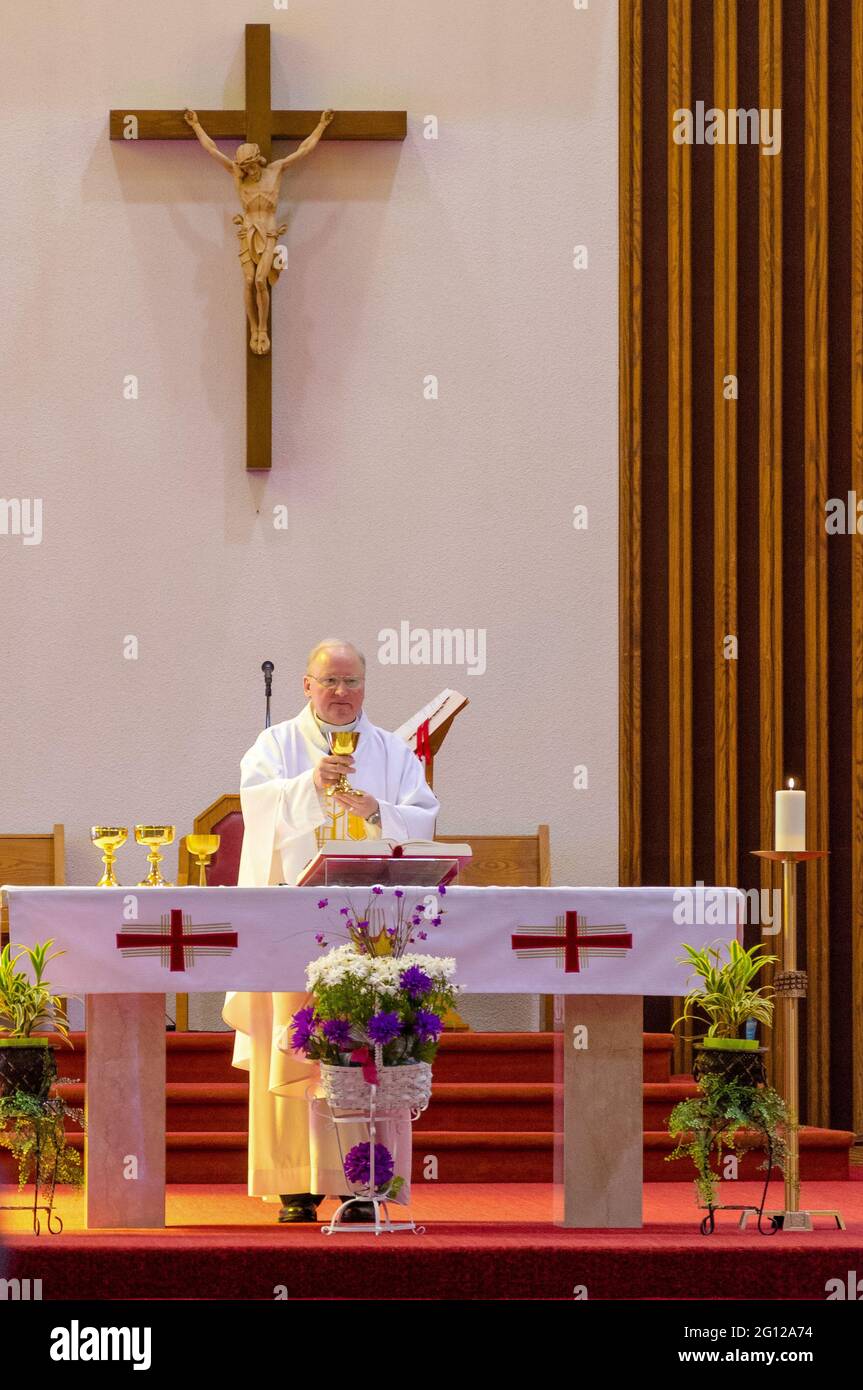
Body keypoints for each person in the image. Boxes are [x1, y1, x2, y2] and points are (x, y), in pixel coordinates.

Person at [222, 638, 440, 1222]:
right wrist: (307, 788)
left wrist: (377, 811)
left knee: (365, 1043)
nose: (341, 694)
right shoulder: (276, 746)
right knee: (295, 1043)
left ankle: (363, 1184)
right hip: (296, 924)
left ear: (365, 687)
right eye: (330, 682)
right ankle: (294, 1186)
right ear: (306, 686)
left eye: (351, 682)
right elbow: (255, 807)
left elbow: (423, 818)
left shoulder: (394, 754)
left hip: (370, 929)